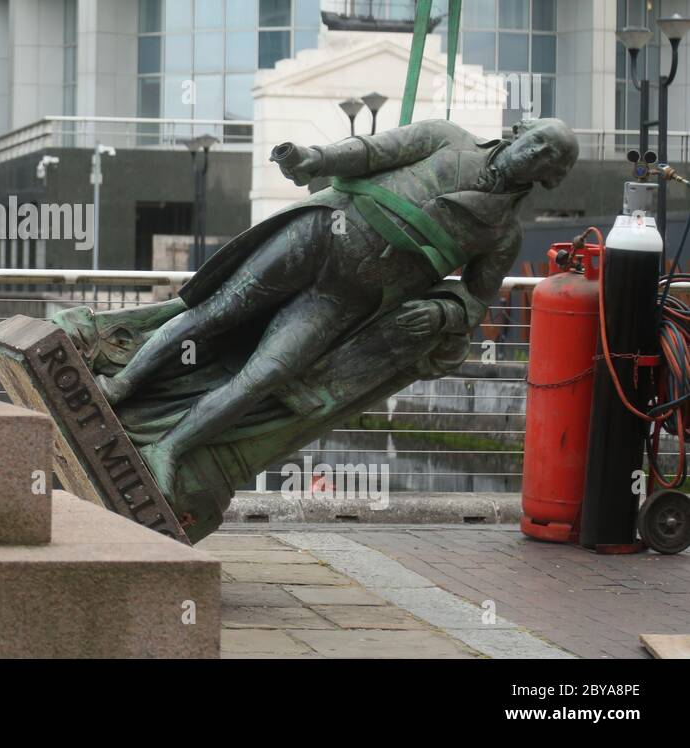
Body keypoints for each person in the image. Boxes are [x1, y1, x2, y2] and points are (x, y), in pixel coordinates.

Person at [93, 117, 579, 498]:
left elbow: (476, 300)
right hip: (322, 235)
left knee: (267, 375)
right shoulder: (446, 137)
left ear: (550, 177)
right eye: (537, 141)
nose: (535, 154)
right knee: (219, 311)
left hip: (348, 299)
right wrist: (314, 158)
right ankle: (120, 385)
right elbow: (372, 152)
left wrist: (444, 313)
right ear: (520, 133)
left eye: (549, 157)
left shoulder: (501, 236)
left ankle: (170, 448)